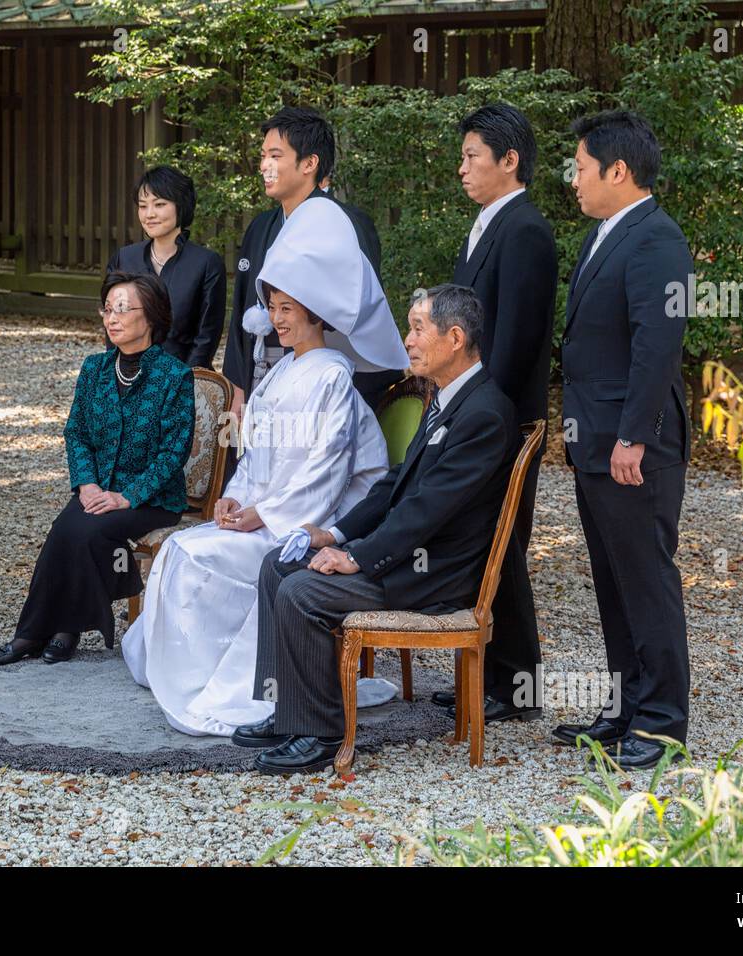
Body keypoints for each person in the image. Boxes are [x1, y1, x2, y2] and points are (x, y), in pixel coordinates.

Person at [121, 196, 409, 737]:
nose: (276, 321)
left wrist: (264, 515)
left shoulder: (332, 377)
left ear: (315, 313)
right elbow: (256, 455)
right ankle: (184, 671)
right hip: (265, 509)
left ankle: (239, 685)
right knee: (184, 548)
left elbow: (326, 474)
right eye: (272, 308)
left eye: (287, 310)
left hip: (309, 522)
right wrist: (234, 498)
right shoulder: (279, 375)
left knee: (196, 557)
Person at [233, 284, 522, 774]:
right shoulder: (448, 399)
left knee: (303, 591)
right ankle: (286, 709)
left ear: (454, 338)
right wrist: (334, 534)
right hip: (408, 555)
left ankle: (320, 734)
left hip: (435, 575)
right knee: (278, 562)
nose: (407, 340)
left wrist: (358, 557)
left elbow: (428, 510)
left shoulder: (485, 413)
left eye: (416, 329)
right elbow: (393, 489)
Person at [555, 110, 692, 770]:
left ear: (618, 170)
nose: (572, 181)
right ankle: (626, 704)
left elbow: (657, 345)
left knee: (646, 579)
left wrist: (633, 436)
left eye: (579, 169)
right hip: (595, 442)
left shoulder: (656, 239)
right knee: (612, 580)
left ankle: (663, 722)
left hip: (635, 444)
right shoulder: (603, 235)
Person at [0, 271, 195, 666]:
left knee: (86, 530)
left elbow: (174, 452)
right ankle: (35, 633)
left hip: (151, 497)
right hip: (97, 491)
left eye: (122, 309)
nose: (110, 318)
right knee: (67, 529)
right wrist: (86, 484)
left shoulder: (174, 377)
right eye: (107, 309)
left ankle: (62, 630)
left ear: (150, 315)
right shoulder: (94, 368)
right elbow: (75, 431)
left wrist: (126, 495)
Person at [426, 103, 558, 724]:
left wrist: (480, 413)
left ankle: (517, 683)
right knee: (480, 544)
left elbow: (518, 340)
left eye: (472, 156)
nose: (462, 169)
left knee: (505, 543)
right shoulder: (484, 225)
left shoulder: (526, 230)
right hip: (475, 410)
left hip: (503, 419)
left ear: (509, 161)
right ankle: (486, 672)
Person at [219, 106, 401, 414]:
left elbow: (356, 308)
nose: (265, 165)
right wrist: (237, 384)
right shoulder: (261, 227)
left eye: (275, 156)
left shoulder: (343, 223)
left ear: (309, 163)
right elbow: (242, 310)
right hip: (264, 371)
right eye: (263, 155)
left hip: (326, 379)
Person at [106, 165, 227, 369]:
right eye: (143, 206)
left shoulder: (206, 263)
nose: (149, 214)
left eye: (159, 204)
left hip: (184, 378)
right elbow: (112, 324)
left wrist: (179, 383)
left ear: (181, 206)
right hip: (128, 376)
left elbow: (206, 337)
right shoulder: (124, 258)